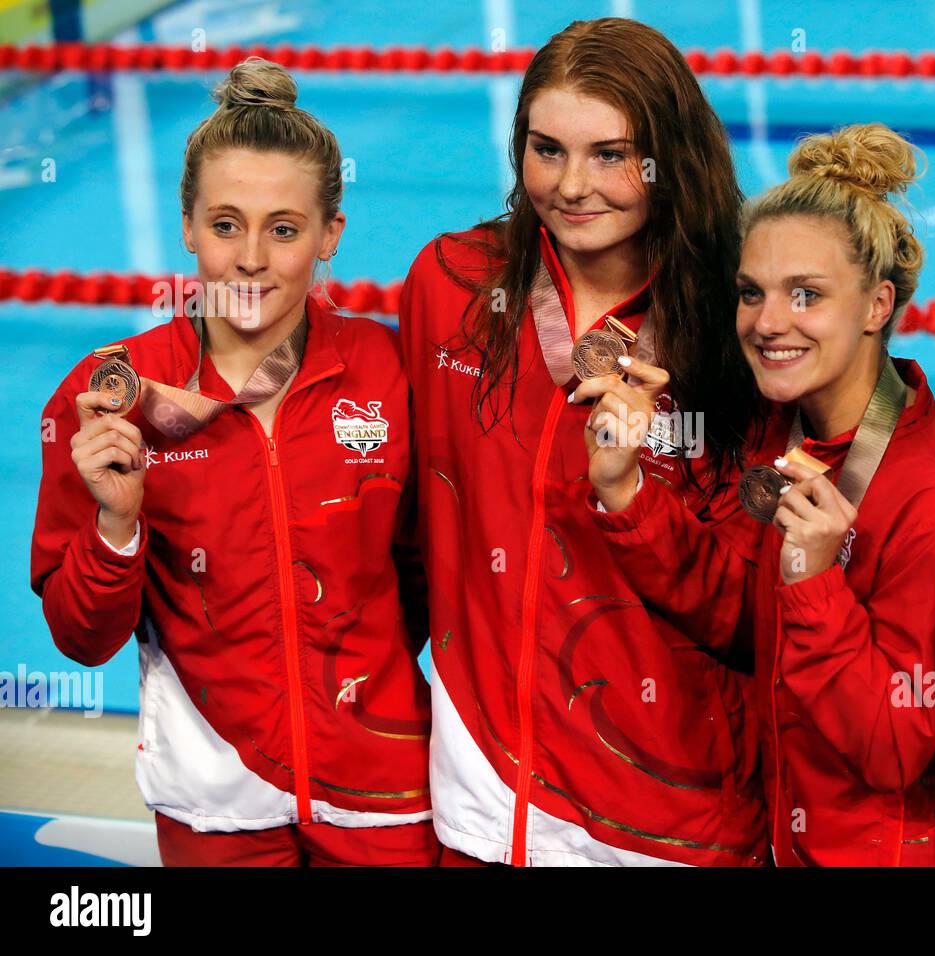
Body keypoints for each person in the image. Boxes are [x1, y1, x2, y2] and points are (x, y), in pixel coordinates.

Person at [30, 58, 436, 867]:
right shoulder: (111, 397)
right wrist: (117, 523)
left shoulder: (390, 372)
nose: (251, 258)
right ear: (186, 225)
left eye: (284, 229)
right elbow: (80, 640)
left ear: (331, 235)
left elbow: (424, 577)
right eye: (225, 224)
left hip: (383, 786)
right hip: (216, 797)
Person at [583, 124, 935, 866]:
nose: (768, 322)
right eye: (752, 293)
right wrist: (626, 492)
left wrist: (815, 583)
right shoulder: (787, 438)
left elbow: (892, 746)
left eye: (806, 295)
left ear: (878, 305)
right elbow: (741, 619)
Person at [398, 17, 769, 866]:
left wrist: (631, 498)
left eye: (612, 154)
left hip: (669, 818)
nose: (571, 185)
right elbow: (407, 527)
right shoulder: (452, 285)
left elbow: (749, 615)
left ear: (669, 159)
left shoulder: (737, 324)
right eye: (546, 148)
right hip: (487, 800)